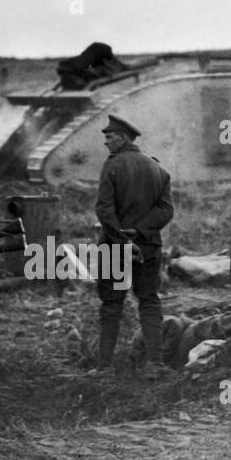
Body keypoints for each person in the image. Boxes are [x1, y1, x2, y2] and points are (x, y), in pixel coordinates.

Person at [91, 114, 175, 380]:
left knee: (112, 305)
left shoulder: (112, 166)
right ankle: (155, 364)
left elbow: (104, 208)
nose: (105, 142)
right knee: (149, 301)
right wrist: (139, 232)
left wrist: (122, 238)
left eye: (109, 137)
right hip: (148, 246)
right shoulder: (157, 167)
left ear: (123, 138)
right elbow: (166, 210)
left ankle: (104, 368)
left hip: (116, 248)